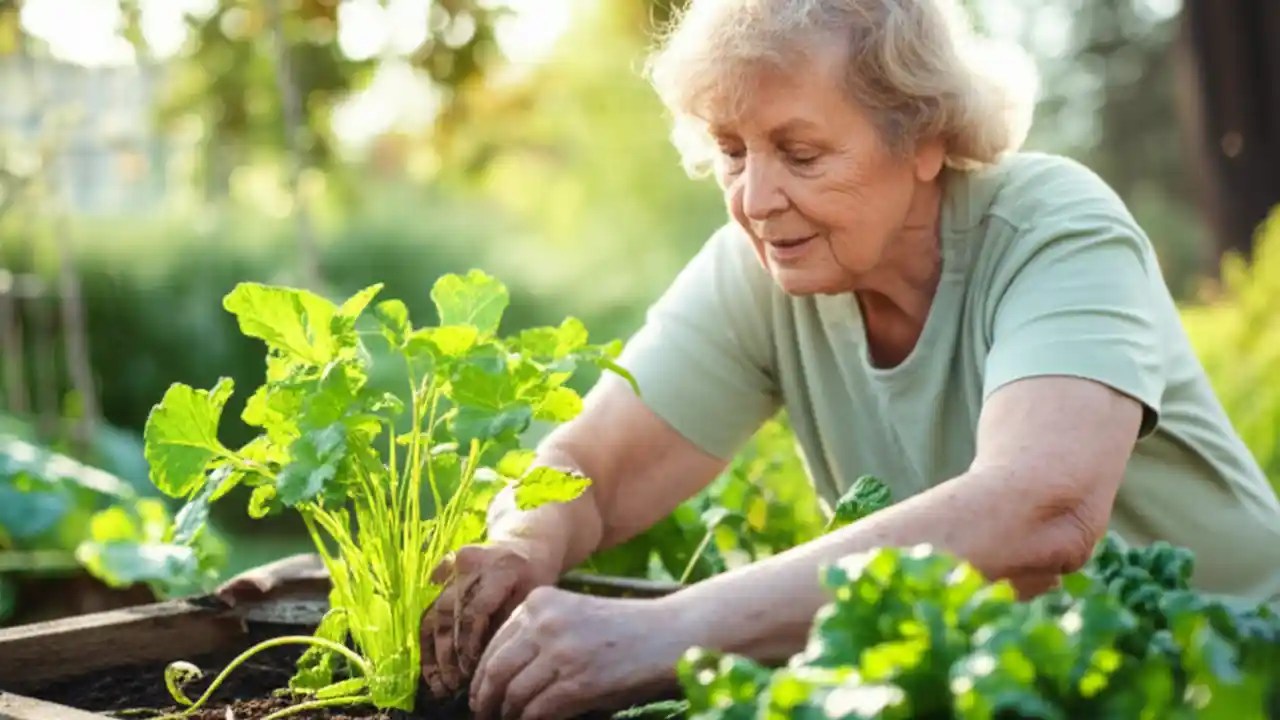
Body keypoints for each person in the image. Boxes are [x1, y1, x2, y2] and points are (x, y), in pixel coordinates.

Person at [217, 0, 1280, 718]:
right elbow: (598, 467)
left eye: (799, 153)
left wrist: (668, 633)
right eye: (731, 151)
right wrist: (519, 545)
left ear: (922, 138)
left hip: (1218, 682)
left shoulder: (1049, 225)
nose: (755, 200)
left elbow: (1041, 509)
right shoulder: (765, 266)